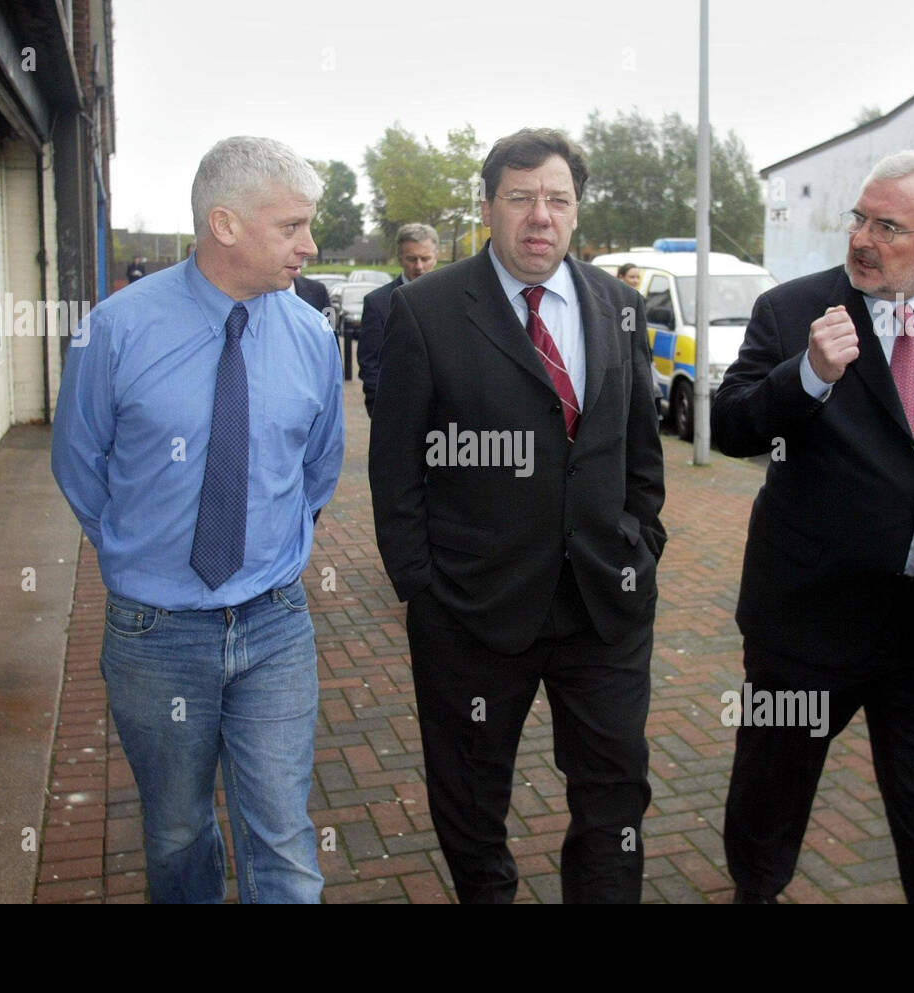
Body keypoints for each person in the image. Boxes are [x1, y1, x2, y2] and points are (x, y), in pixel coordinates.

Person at [712, 149, 914, 904]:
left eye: (888, 227)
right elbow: (731, 427)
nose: (861, 239)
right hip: (810, 622)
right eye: (858, 217)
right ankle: (756, 890)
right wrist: (808, 375)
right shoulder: (791, 310)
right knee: (769, 800)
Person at [369, 128, 665, 903]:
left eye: (558, 199)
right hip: (472, 609)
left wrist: (642, 543)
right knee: (471, 795)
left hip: (603, 602)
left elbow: (639, 451)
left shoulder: (620, 306)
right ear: (487, 207)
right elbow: (395, 467)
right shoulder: (425, 310)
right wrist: (421, 585)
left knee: (615, 790)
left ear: (576, 211)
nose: (541, 215)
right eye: (521, 197)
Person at [51, 136, 344, 904]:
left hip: (275, 625)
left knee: (283, 837)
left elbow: (318, 469)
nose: (310, 245)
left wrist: (269, 547)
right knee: (178, 831)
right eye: (292, 226)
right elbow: (79, 463)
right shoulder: (115, 329)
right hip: (156, 635)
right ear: (225, 224)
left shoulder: (311, 336)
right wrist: (142, 554)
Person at [356, 223, 439, 415]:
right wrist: (381, 412)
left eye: (425, 258)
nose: (419, 266)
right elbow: (370, 364)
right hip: (398, 414)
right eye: (412, 259)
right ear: (400, 258)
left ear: (436, 257)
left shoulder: (454, 298)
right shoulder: (377, 303)